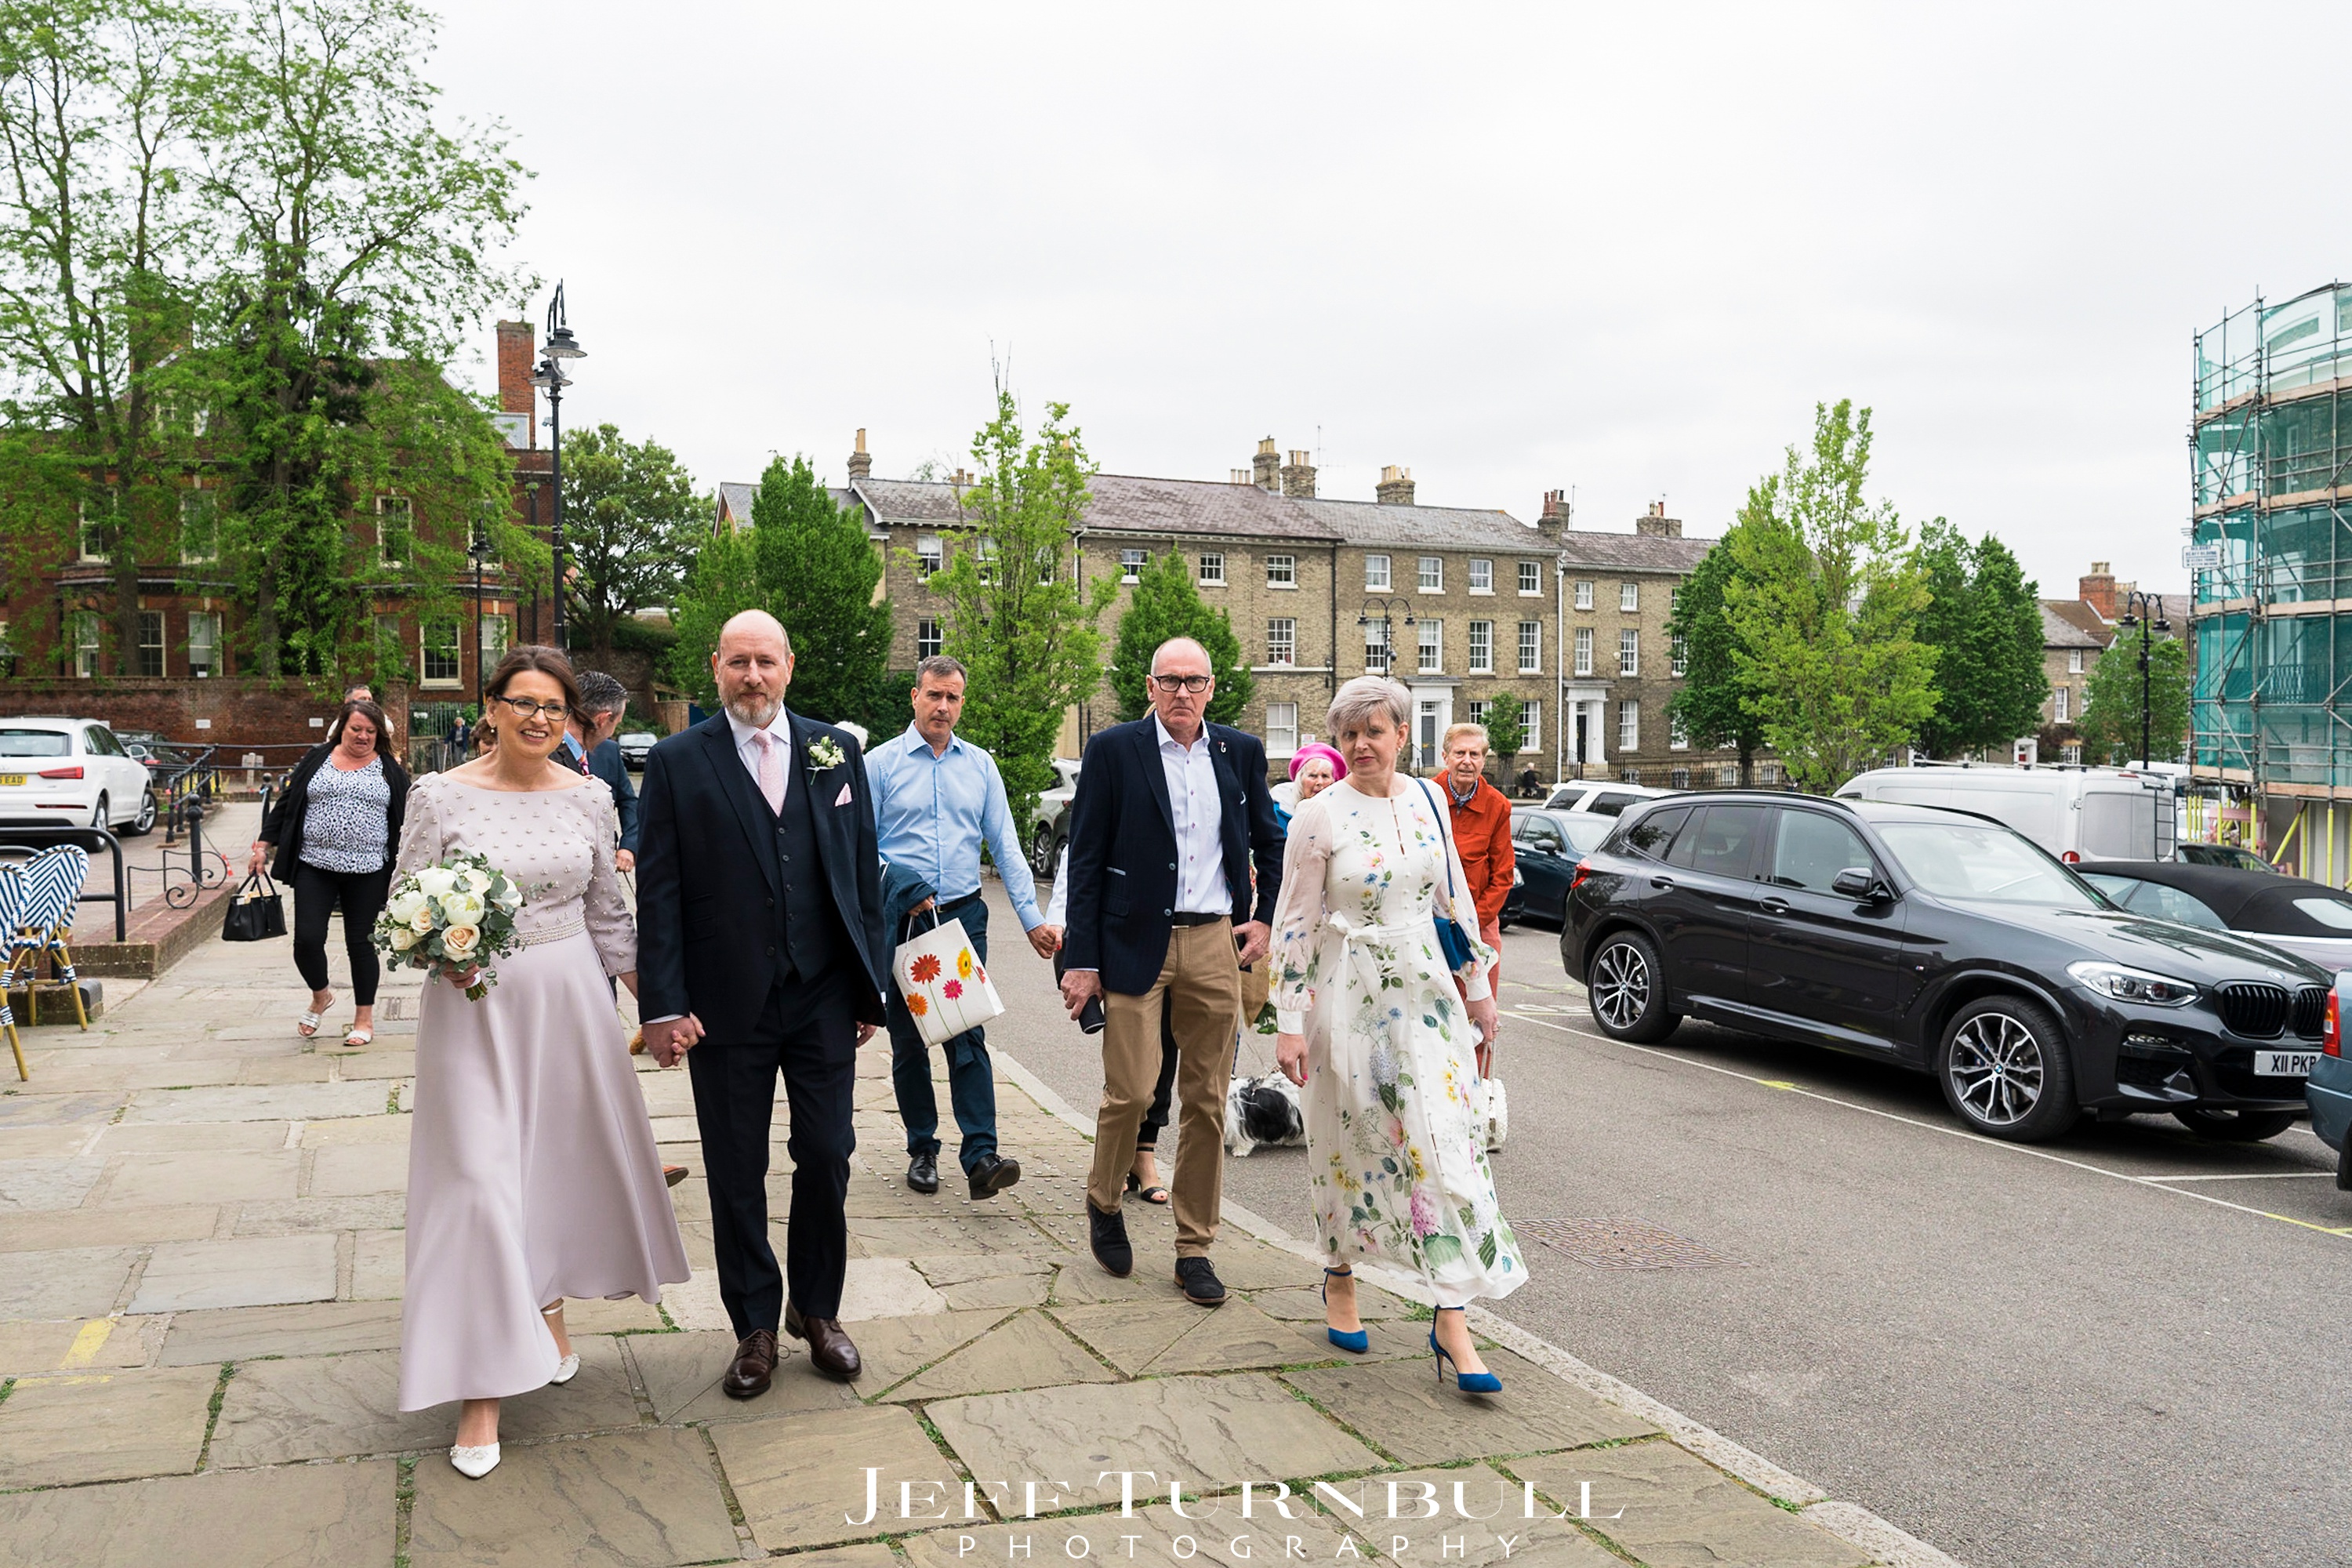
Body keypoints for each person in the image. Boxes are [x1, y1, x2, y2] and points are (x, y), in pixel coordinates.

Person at [398, 644, 688, 1478]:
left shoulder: (592, 796)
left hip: (569, 1002)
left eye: (554, 707)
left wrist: (659, 1009)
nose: (538, 718)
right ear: (489, 706)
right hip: (474, 1008)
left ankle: (548, 1305)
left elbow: (608, 916)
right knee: (478, 1184)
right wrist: (438, 948)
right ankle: (481, 1391)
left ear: (575, 719)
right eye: (522, 702)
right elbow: (404, 902)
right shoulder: (438, 794)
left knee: (552, 1169)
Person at [636, 610, 887, 1395]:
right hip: (724, 1004)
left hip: (821, 997)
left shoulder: (836, 749)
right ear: (717, 666)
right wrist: (664, 1003)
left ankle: (818, 1310)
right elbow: (661, 889)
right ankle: (752, 1324)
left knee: (827, 1152)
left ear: (789, 664)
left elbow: (861, 875)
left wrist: (869, 985)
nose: (752, 676)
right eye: (738, 662)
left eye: (765, 662)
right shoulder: (679, 761)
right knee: (735, 1169)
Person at [1271, 677, 1524, 1396]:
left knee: (1445, 1139)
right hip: (1348, 996)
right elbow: (1296, 922)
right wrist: (1290, 1022)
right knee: (1350, 1142)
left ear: (1403, 736)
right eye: (1348, 734)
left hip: (1426, 992)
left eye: (1374, 732)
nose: (1360, 746)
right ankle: (1340, 1272)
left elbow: (1454, 898)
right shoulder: (1317, 815)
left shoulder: (1430, 799)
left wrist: (1478, 991)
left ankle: (1452, 1316)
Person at [1059, 637, 1283, 1305]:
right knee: (1129, 1091)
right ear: (1149, 687)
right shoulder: (1114, 750)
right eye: (1170, 681)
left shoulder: (1237, 754)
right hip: (1133, 945)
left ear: (1212, 688)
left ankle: (1195, 1248)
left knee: (1208, 1102)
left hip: (1213, 941)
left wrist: (1265, 917)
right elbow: (1086, 858)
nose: (1182, 692)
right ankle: (1104, 1198)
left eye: (1195, 681)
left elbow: (1271, 842)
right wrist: (1081, 960)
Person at [869, 655, 1054, 1201]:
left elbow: (1007, 846)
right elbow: (859, 848)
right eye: (934, 696)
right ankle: (922, 1147)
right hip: (903, 921)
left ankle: (981, 1154)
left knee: (966, 1032)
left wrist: (1032, 921)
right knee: (909, 1040)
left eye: (952, 698)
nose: (943, 706)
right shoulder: (879, 765)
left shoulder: (981, 766)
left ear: (961, 703)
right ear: (915, 696)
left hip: (963, 917)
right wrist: (902, 884)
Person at [249, 700, 410, 1050]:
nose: (363, 736)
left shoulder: (389, 769)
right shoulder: (318, 757)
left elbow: (407, 817)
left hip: (369, 869)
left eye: (371, 731)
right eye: (356, 729)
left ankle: (363, 1018)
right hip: (314, 864)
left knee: (361, 945)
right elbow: (287, 801)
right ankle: (321, 994)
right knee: (306, 940)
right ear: (342, 728)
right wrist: (263, 844)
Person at [1438, 722, 1514, 1061]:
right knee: (1433, 1015)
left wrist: (1472, 923)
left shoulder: (1497, 806)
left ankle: (1476, 1100)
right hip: (1431, 923)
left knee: (1478, 1018)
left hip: (1479, 926)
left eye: (1475, 754)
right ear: (1445, 756)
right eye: (1460, 753)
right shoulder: (1425, 795)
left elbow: (1502, 875)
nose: (1467, 761)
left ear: (1484, 760)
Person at [561, 670, 641, 873]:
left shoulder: (609, 751)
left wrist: (628, 845)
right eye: (616, 724)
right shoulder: (545, 754)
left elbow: (628, 800)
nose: (613, 732)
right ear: (603, 720)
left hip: (605, 867)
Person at [1272, 742, 1345, 836]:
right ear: (1300, 779)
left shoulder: (1343, 814)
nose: (1320, 782)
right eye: (1313, 776)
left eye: (1325, 776)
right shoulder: (1280, 812)